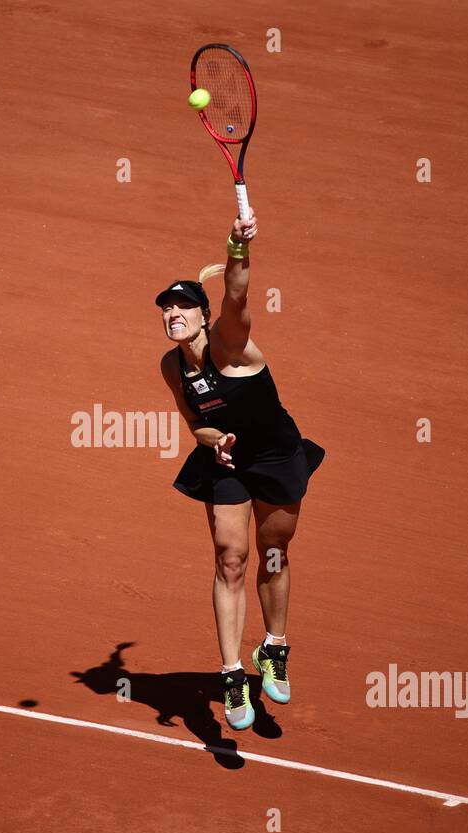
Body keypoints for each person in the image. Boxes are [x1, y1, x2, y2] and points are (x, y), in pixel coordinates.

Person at [157, 207, 325, 731]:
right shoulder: (171, 366)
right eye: (165, 308)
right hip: (226, 462)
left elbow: (237, 293)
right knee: (231, 558)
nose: (172, 313)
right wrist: (212, 439)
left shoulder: (231, 344)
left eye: (184, 305)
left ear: (204, 316)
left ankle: (273, 647)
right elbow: (194, 425)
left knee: (274, 552)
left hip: (276, 456)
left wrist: (237, 246)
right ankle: (232, 675)